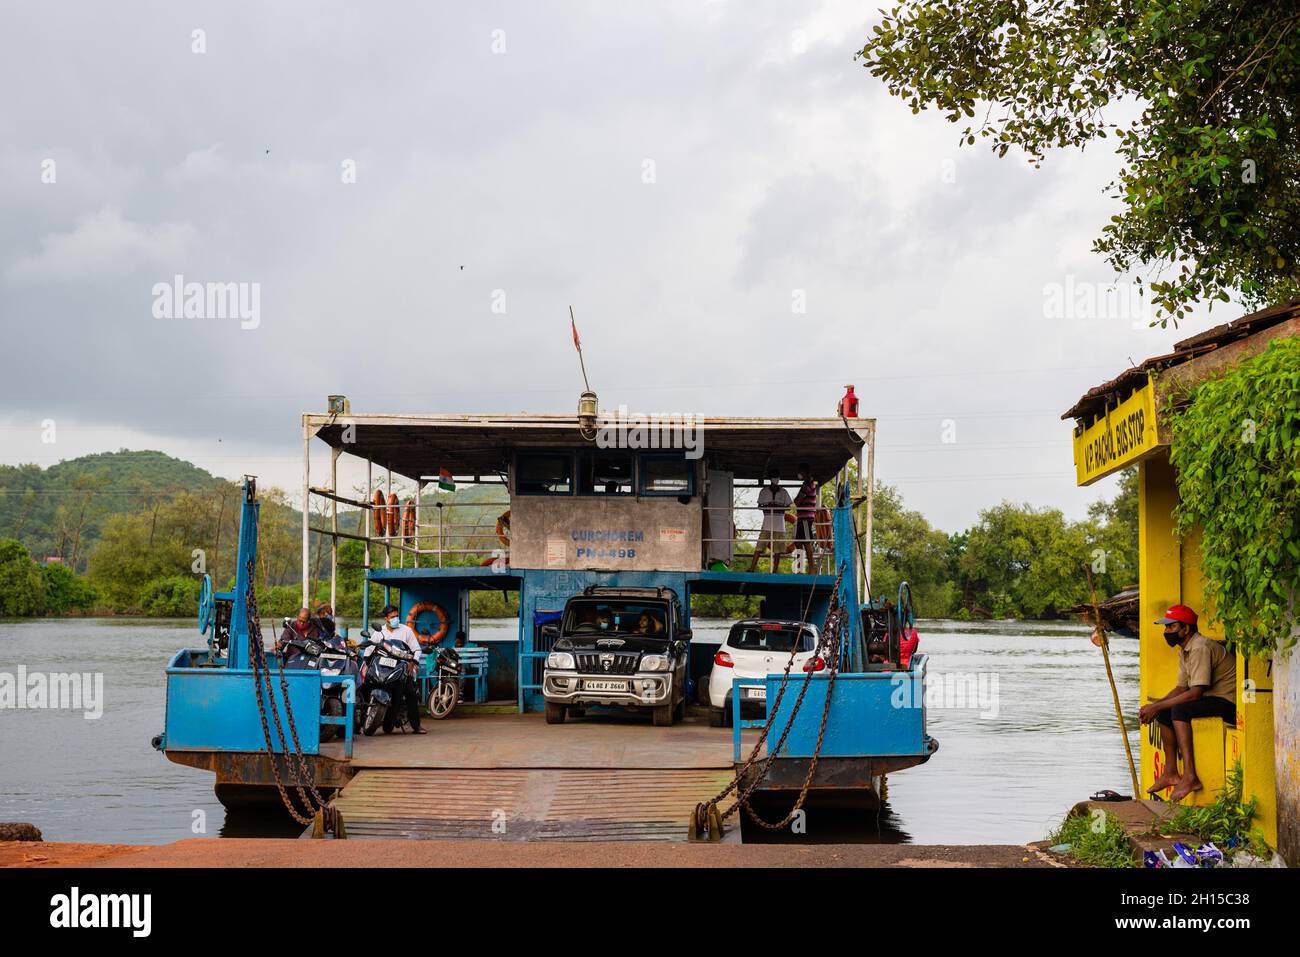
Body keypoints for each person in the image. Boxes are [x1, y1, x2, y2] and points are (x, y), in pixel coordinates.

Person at [1134, 605, 1236, 801]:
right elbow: (1181, 688)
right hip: (1211, 698)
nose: (1166, 632)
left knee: (1179, 710)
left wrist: (1157, 706)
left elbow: (1195, 693)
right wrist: (1154, 707)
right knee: (1164, 713)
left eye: (1171, 627)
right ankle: (1171, 772)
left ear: (1185, 629)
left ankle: (1190, 776)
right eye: (1165, 628)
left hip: (1228, 701)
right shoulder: (1185, 650)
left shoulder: (1200, 647)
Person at [376, 604, 426, 734]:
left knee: (410, 693)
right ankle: (359, 724)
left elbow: (417, 649)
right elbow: (370, 649)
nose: (396, 619)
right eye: (393, 617)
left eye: (397, 616)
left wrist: (413, 662)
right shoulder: (379, 632)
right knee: (367, 685)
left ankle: (416, 726)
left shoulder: (406, 630)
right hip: (384, 668)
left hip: (402, 668)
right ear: (386, 618)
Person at [748, 469, 791, 573]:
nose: (776, 479)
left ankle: (774, 571)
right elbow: (759, 506)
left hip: (779, 524)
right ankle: (752, 568)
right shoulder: (764, 491)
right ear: (771, 479)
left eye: (777, 477)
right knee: (759, 546)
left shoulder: (784, 492)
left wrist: (778, 506)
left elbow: (789, 506)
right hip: (767, 523)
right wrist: (769, 506)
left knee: (778, 549)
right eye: (775, 477)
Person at [789, 463, 818, 572]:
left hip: (806, 517)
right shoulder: (807, 484)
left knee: (806, 541)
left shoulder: (808, 485)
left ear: (805, 473)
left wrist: (798, 501)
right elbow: (797, 501)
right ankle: (800, 568)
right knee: (798, 542)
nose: (799, 474)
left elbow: (797, 501)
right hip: (802, 517)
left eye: (800, 472)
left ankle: (811, 568)